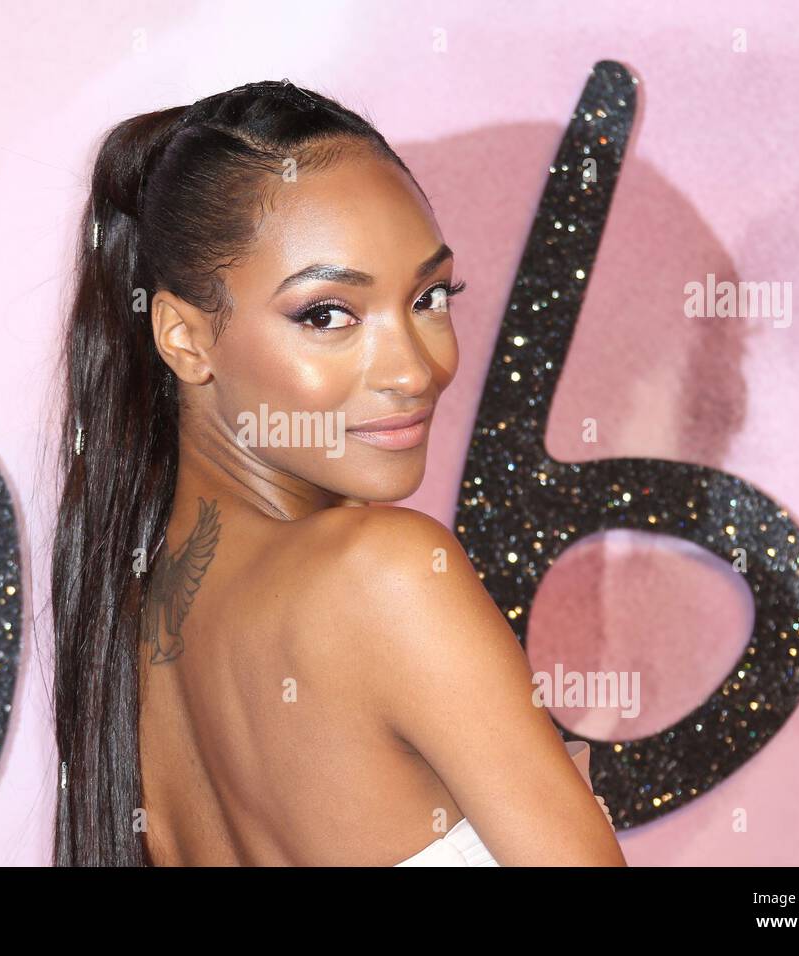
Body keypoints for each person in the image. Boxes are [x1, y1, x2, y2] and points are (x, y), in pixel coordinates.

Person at [52, 79, 626, 866]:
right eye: (327, 315)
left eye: (429, 297)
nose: (414, 370)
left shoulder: (135, 629)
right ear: (185, 338)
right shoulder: (384, 573)